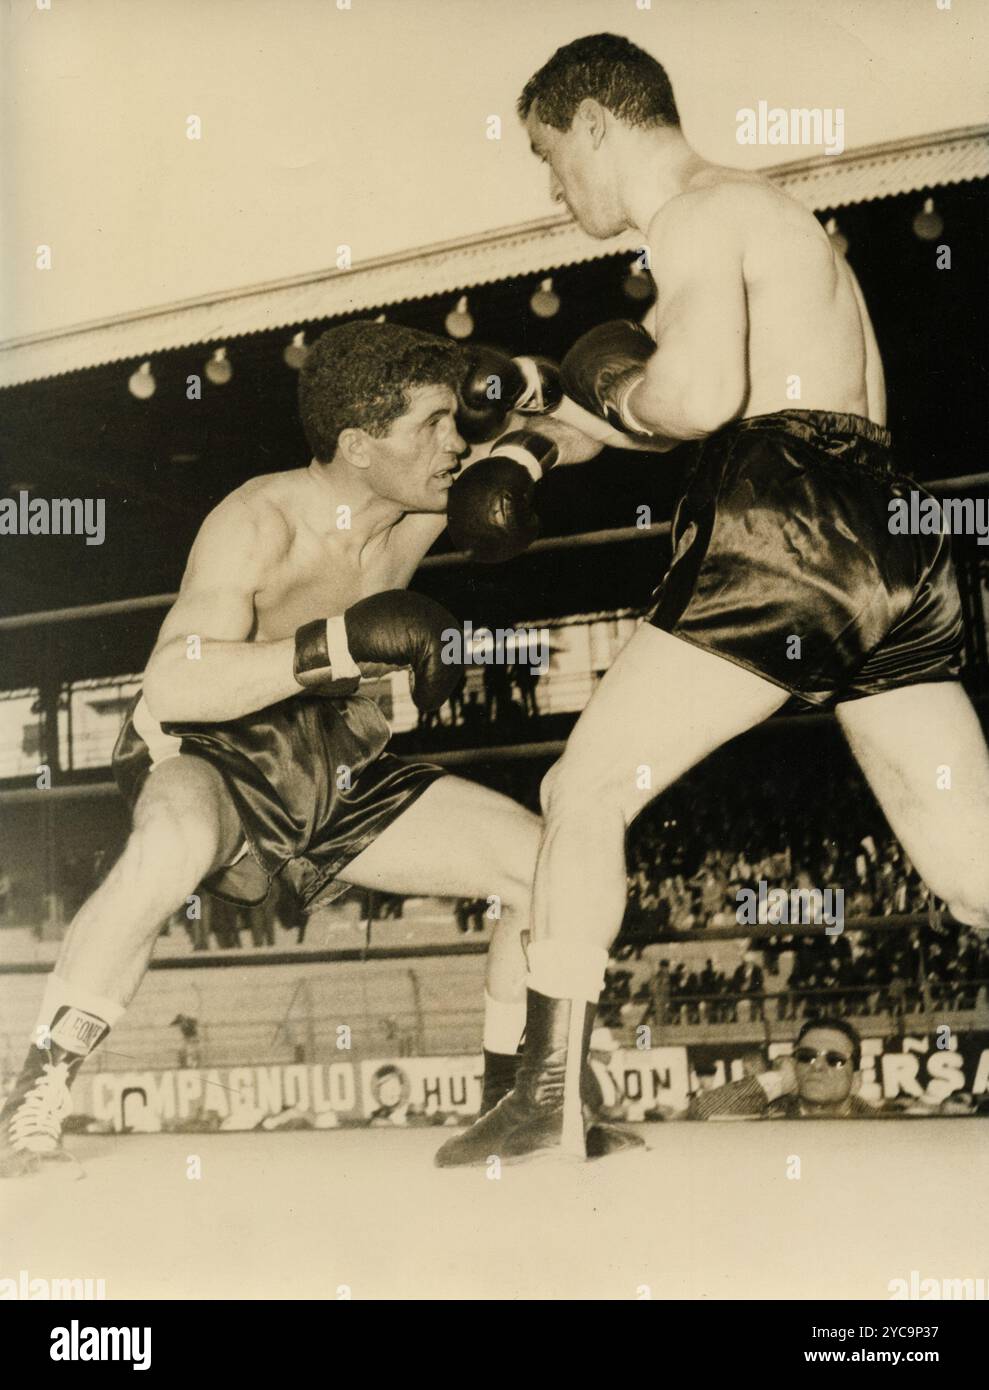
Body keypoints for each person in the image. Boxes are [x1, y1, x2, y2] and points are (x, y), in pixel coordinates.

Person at [436, 33, 988, 1166]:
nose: (551, 186)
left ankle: (548, 1095)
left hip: (782, 523)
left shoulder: (690, 212)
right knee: (974, 874)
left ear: (594, 122)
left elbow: (690, 397)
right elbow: (661, 395)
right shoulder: (769, 220)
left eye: (550, 155)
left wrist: (613, 385)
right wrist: (535, 445)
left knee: (578, 788)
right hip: (890, 540)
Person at [0, 320, 553, 1176]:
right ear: (358, 445)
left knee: (542, 866)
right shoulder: (256, 522)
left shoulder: (420, 504)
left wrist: (530, 407)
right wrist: (334, 645)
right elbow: (175, 683)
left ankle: (508, 1103)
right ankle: (39, 1088)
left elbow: (587, 425)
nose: (455, 443)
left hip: (332, 755)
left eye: (456, 419)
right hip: (210, 749)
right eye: (433, 426)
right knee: (172, 845)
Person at [688, 1018, 881, 1119]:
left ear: (856, 1081)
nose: (818, 1066)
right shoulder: (770, 1114)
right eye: (807, 1056)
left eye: (834, 1059)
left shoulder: (880, 1126)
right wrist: (780, 1080)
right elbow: (702, 1112)